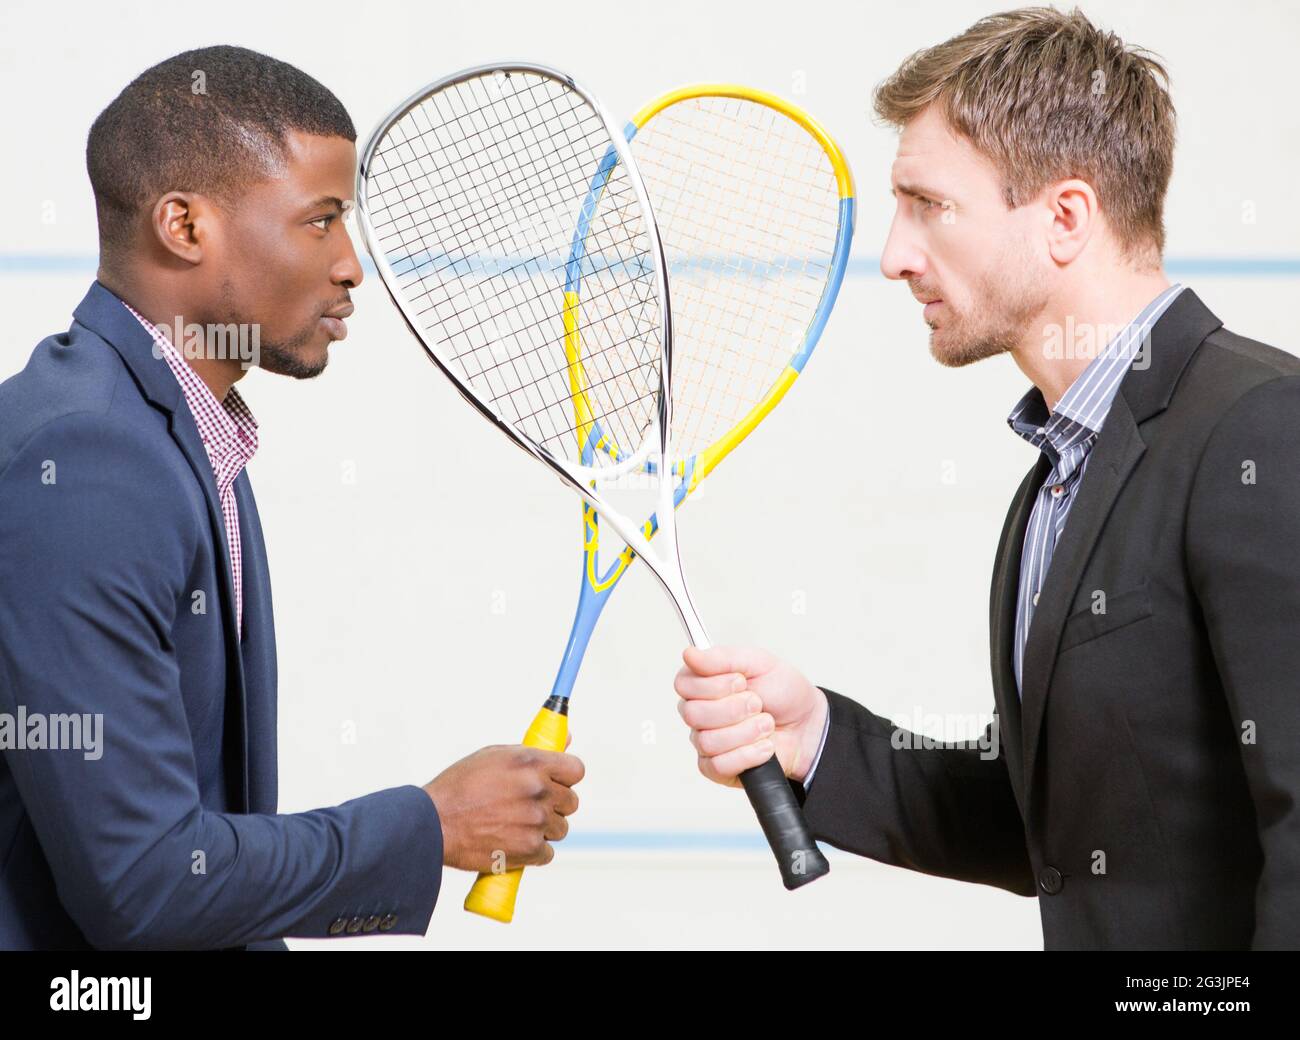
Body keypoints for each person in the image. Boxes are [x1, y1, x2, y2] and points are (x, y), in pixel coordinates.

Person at [675, 8, 1300, 950]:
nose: (894, 256)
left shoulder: (1262, 426)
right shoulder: (1056, 481)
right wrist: (818, 744)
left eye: (930, 205)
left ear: (1064, 218)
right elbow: (1059, 817)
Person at [0, 45, 583, 951]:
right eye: (321, 221)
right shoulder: (86, 462)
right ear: (185, 226)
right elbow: (146, 883)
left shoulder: (181, 431)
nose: (353, 266)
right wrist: (429, 827)